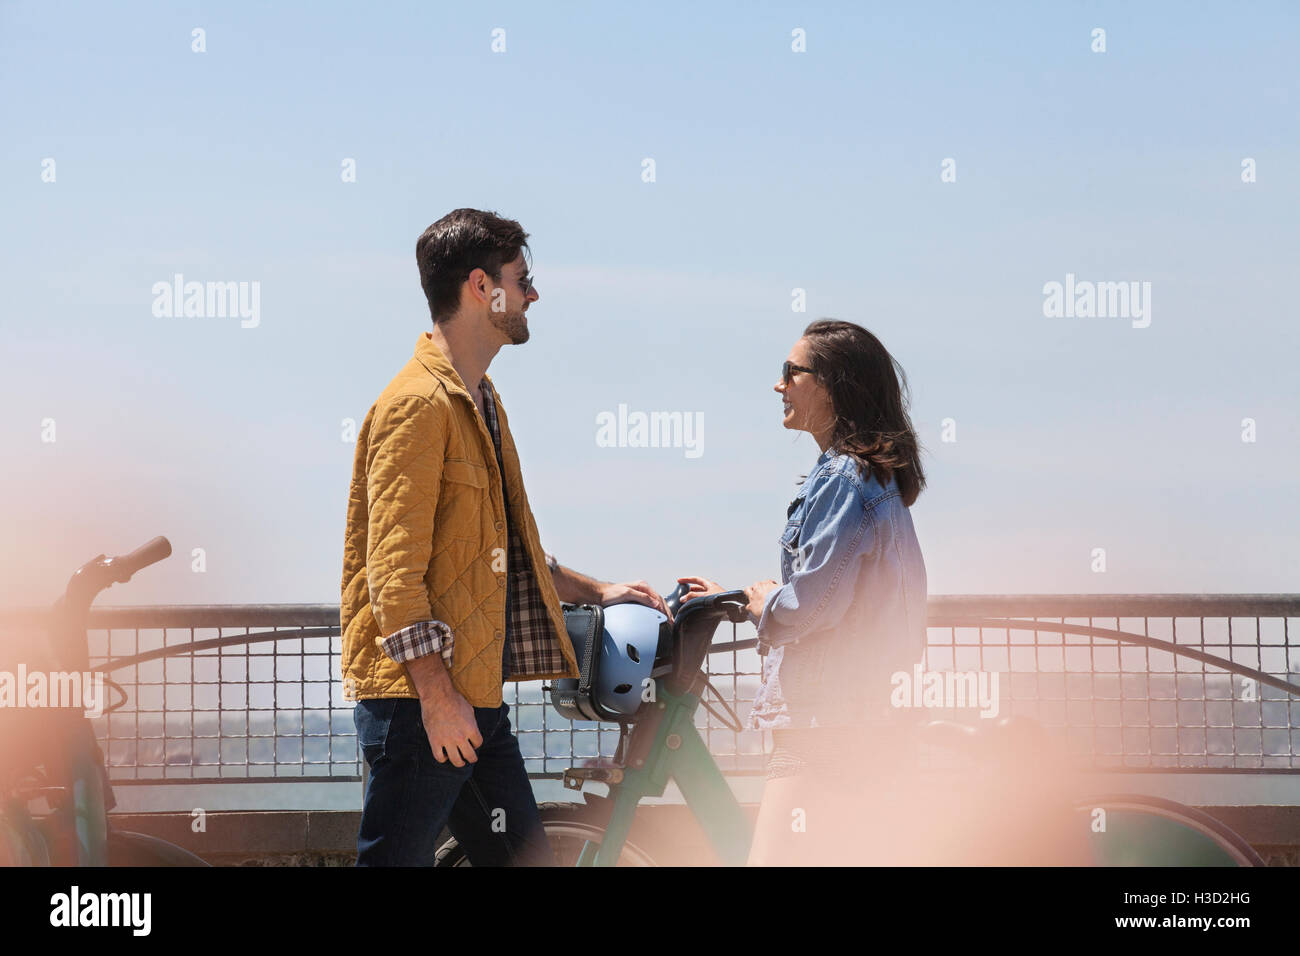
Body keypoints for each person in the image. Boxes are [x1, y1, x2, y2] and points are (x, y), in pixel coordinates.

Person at [340, 208, 669, 866]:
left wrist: (597, 590)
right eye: (523, 280)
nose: (533, 295)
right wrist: (436, 697)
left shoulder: (480, 398)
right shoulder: (418, 405)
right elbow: (392, 574)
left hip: (476, 699)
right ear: (480, 286)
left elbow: (506, 554)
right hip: (422, 704)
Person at [678, 319, 930, 865]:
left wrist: (763, 599)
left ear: (834, 385)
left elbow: (810, 605)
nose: (779, 385)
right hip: (857, 715)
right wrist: (744, 594)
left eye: (791, 372)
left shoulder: (843, 478)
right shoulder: (868, 477)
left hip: (824, 725)